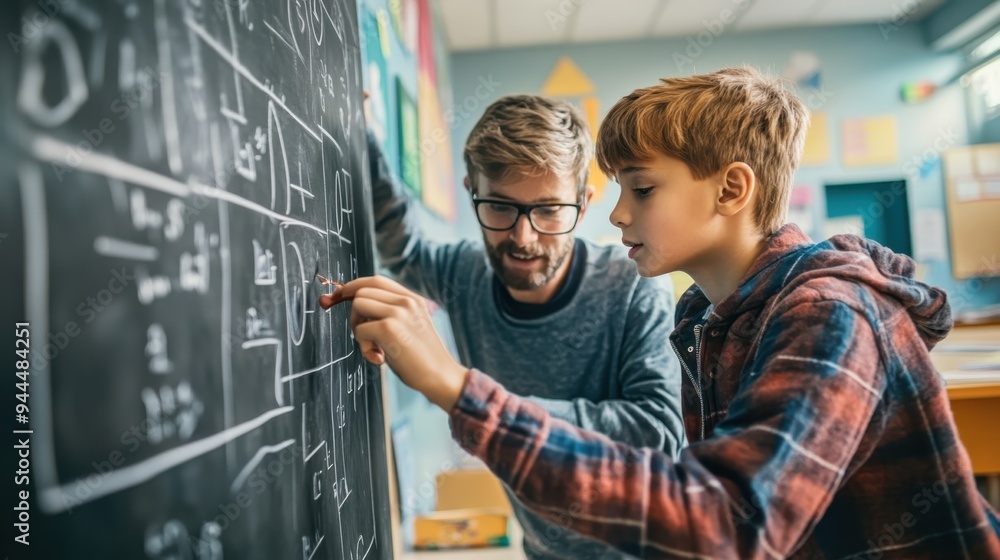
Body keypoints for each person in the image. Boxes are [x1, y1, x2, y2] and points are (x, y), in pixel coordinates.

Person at [324, 67, 1000, 559]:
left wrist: (458, 389)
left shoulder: (829, 317)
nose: (619, 213)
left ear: (731, 189)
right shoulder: (709, 314)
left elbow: (729, 522)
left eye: (641, 189)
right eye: (500, 207)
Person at [360, 94, 684, 559]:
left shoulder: (634, 285)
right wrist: (364, 137)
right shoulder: (466, 274)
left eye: (549, 209)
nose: (523, 237)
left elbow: (656, 433)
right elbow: (403, 248)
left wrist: (472, 398)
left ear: (583, 204)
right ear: (472, 190)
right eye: (499, 206)